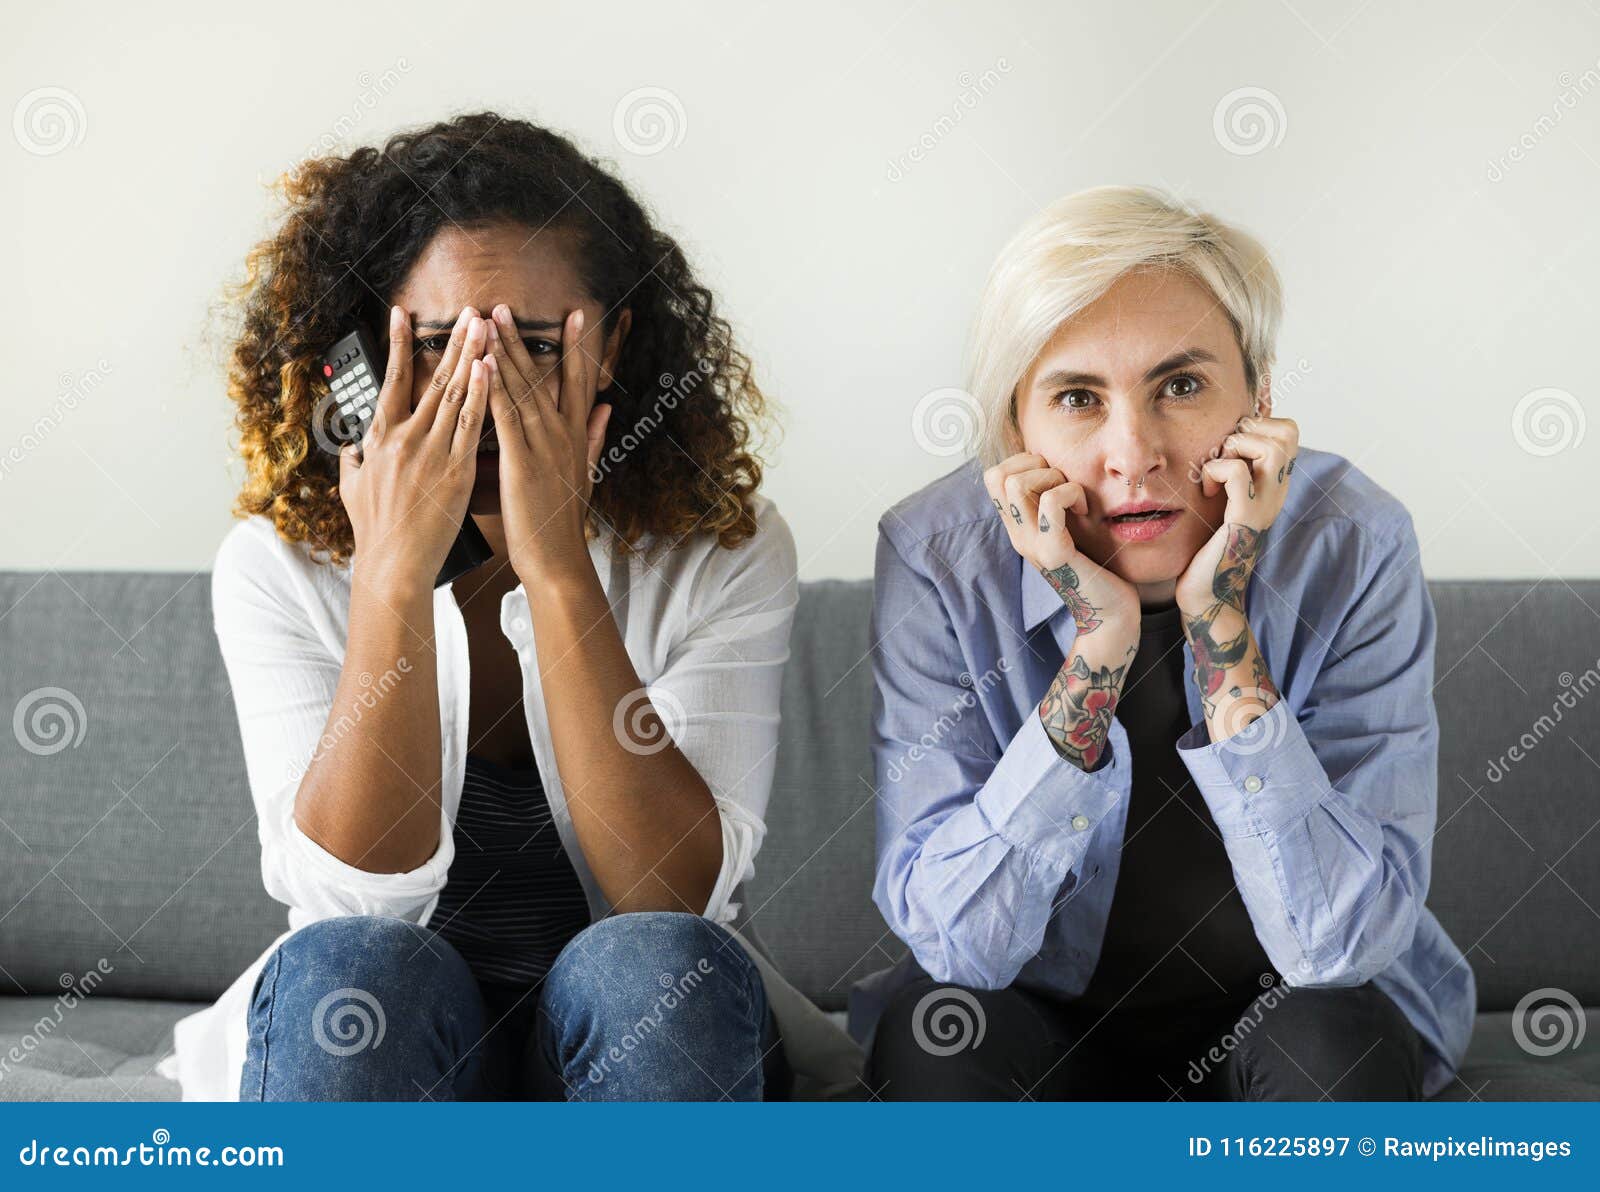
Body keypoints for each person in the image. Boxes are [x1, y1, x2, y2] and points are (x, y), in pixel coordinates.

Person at [166, 111, 816, 1101]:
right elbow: (347, 900)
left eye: (536, 346)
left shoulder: (725, 549)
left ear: (613, 349)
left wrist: (556, 569)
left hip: (626, 1030)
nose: (481, 391)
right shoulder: (277, 566)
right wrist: (392, 575)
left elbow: (671, 894)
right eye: (434, 343)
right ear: (369, 357)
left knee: (650, 961)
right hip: (397, 1029)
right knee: (350, 967)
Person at [855, 185, 1476, 1101]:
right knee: (942, 1042)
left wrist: (1222, 626)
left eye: (1180, 386)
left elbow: (1337, 943)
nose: (1132, 452)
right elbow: (960, 947)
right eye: (1077, 398)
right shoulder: (938, 558)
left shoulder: (1356, 544)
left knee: (1334, 1050)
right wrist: (1098, 645)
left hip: (1292, 1000)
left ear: (1259, 396)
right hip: (1030, 1009)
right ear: (1012, 432)